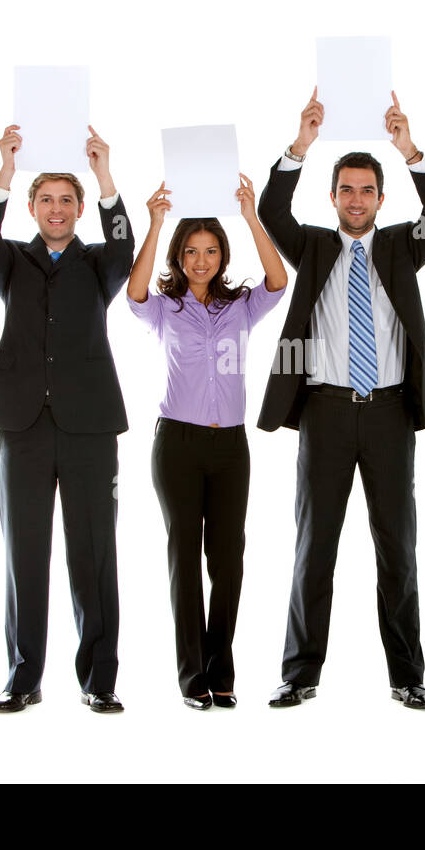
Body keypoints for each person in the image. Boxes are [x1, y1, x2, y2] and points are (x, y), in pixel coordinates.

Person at [258, 89, 425, 709]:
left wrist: (408, 147)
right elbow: (271, 210)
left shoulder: (401, 245)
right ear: (334, 196)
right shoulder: (314, 246)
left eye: (367, 190)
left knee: (397, 544)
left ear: (380, 197)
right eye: (346, 189)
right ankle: (299, 673)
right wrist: (302, 142)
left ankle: (406, 675)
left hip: (393, 409)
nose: (356, 199)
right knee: (314, 545)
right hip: (326, 409)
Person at [0, 123, 133, 714]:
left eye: (67, 200)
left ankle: (100, 679)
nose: (57, 209)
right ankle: (22, 677)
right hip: (23, 425)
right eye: (47, 200)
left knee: (93, 551)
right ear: (33, 208)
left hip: (89, 425)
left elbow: (125, 247)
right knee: (24, 551)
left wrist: (105, 174)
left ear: (80, 208)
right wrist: (7, 167)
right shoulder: (11, 261)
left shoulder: (98, 264)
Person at [126, 175, 288, 710]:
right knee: (184, 558)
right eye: (191, 251)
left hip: (230, 449)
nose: (201, 260)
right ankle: (191, 673)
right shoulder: (164, 308)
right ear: (180, 255)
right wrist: (153, 223)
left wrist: (249, 215)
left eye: (211, 251)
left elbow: (278, 279)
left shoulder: (240, 307)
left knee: (229, 559)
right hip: (177, 444)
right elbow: (134, 292)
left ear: (222, 255)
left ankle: (223, 665)